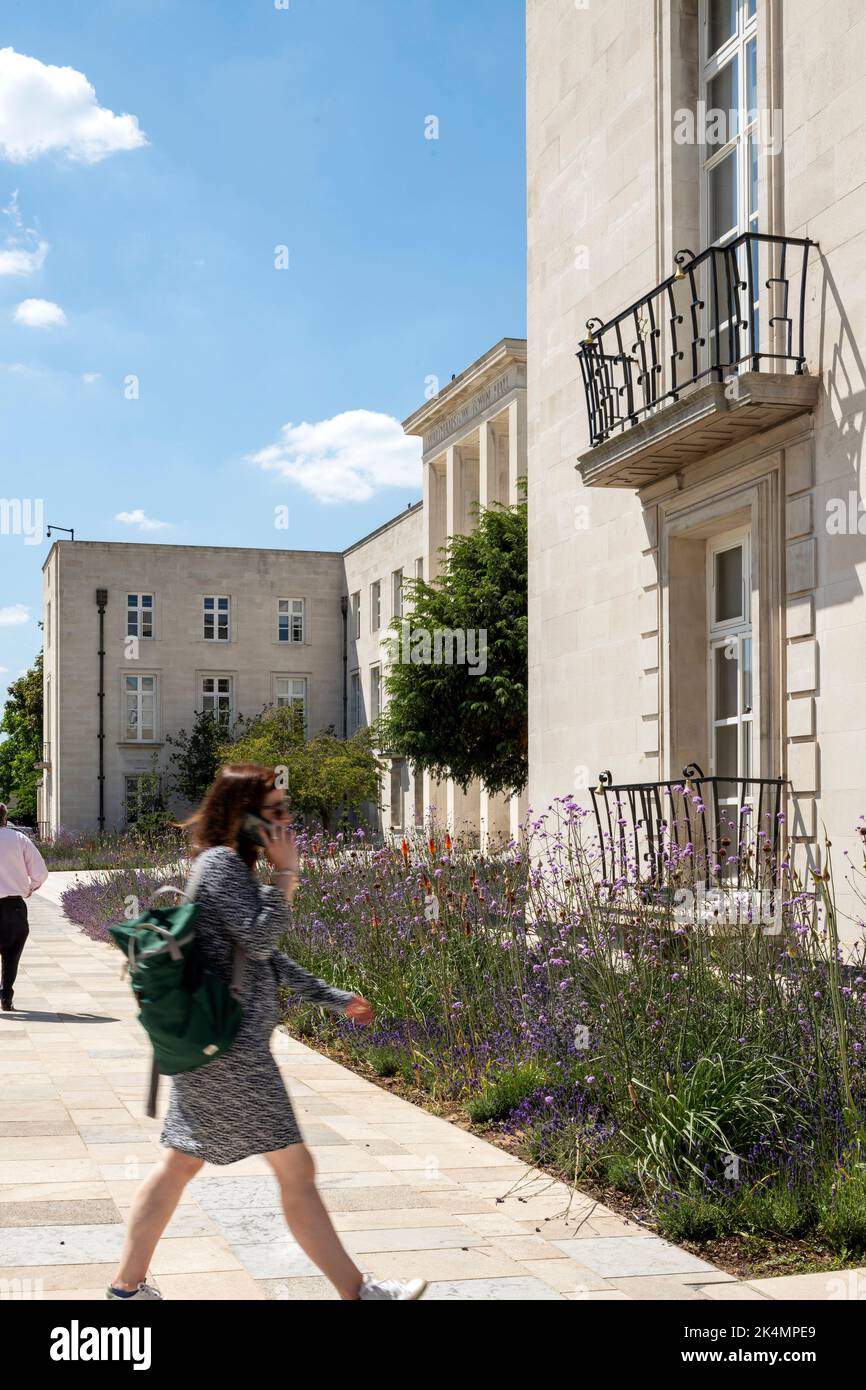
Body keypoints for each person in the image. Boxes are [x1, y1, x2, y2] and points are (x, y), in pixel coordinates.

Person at [107, 765, 427, 1302]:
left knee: (180, 1164)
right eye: (276, 811)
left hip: (221, 1047)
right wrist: (287, 876)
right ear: (244, 814)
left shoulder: (226, 867)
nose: (286, 822)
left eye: (286, 811)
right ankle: (360, 1293)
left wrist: (332, 997)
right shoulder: (222, 866)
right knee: (295, 1168)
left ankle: (126, 1288)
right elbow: (259, 941)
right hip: (232, 1053)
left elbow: (264, 959)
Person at [0, 803, 48, 1011]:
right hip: (14, 907)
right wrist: (29, 888)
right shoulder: (19, 839)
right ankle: (6, 995)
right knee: (11, 954)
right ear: (4, 818)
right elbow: (40, 872)